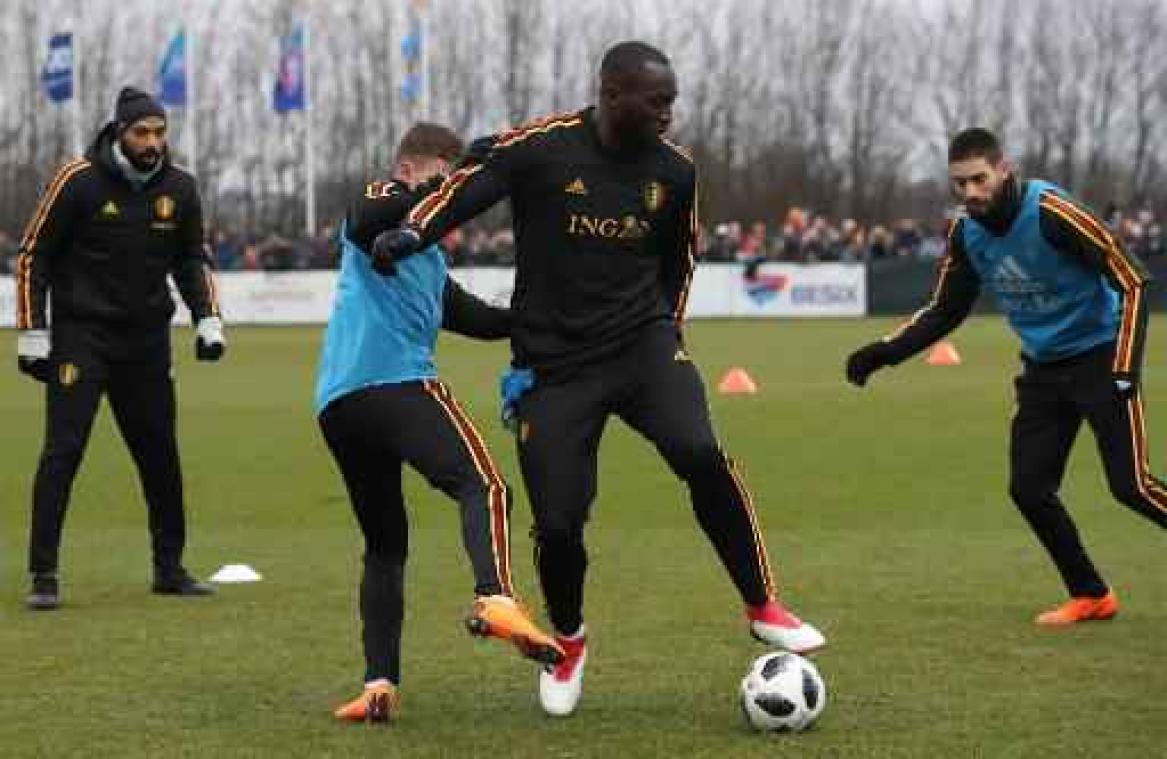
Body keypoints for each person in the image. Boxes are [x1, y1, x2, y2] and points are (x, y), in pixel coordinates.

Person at [369, 41, 825, 718]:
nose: (669, 114)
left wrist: (667, 331)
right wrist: (412, 233)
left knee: (698, 451)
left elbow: (679, 263)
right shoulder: (541, 147)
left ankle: (761, 602)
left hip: (642, 347)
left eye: (672, 100)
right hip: (553, 367)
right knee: (557, 522)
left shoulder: (675, 172)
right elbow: (470, 188)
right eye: (656, 101)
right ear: (613, 94)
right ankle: (571, 639)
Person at [846, 127, 1166, 626]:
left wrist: (1124, 367)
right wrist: (883, 353)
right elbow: (944, 311)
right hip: (1042, 370)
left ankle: (1092, 590)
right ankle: (1091, 594)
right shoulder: (965, 234)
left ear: (1004, 169)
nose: (970, 193)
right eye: (960, 184)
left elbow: (1133, 280)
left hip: (1102, 358)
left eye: (979, 178)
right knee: (1029, 488)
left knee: (1132, 488)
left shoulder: (1052, 212)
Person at [315, 123, 564, 724]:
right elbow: (363, 215)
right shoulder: (380, 201)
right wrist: (448, 185)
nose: (453, 201)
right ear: (410, 171)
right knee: (486, 485)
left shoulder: (423, 255)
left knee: (384, 548)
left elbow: (475, 317)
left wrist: (538, 320)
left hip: (342, 406)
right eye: (444, 184)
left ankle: (379, 685)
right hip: (391, 385)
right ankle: (496, 598)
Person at [14, 87, 225, 610]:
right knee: (63, 453)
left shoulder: (181, 188)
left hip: (147, 343)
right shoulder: (77, 181)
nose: (152, 142)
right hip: (81, 338)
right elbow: (33, 256)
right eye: (141, 133)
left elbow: (192, 259)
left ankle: (169, 569)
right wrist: (32, 332)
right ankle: (44, 574)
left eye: (159, 132)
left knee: (160, 456)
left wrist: (208, 319)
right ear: (120, 132)